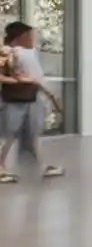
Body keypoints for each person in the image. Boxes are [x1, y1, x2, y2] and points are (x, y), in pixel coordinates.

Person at [0, 21, 64, 183]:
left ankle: (35, 166)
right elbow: (34, 78)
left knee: (29, 134)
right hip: (15, 99)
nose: (33, 39)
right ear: (19, 38)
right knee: (8, 134)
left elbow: (36, 77)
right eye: (29, 36)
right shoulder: (8, 52)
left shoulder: (29, 52)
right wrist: (15, 81)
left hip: (30, 98)